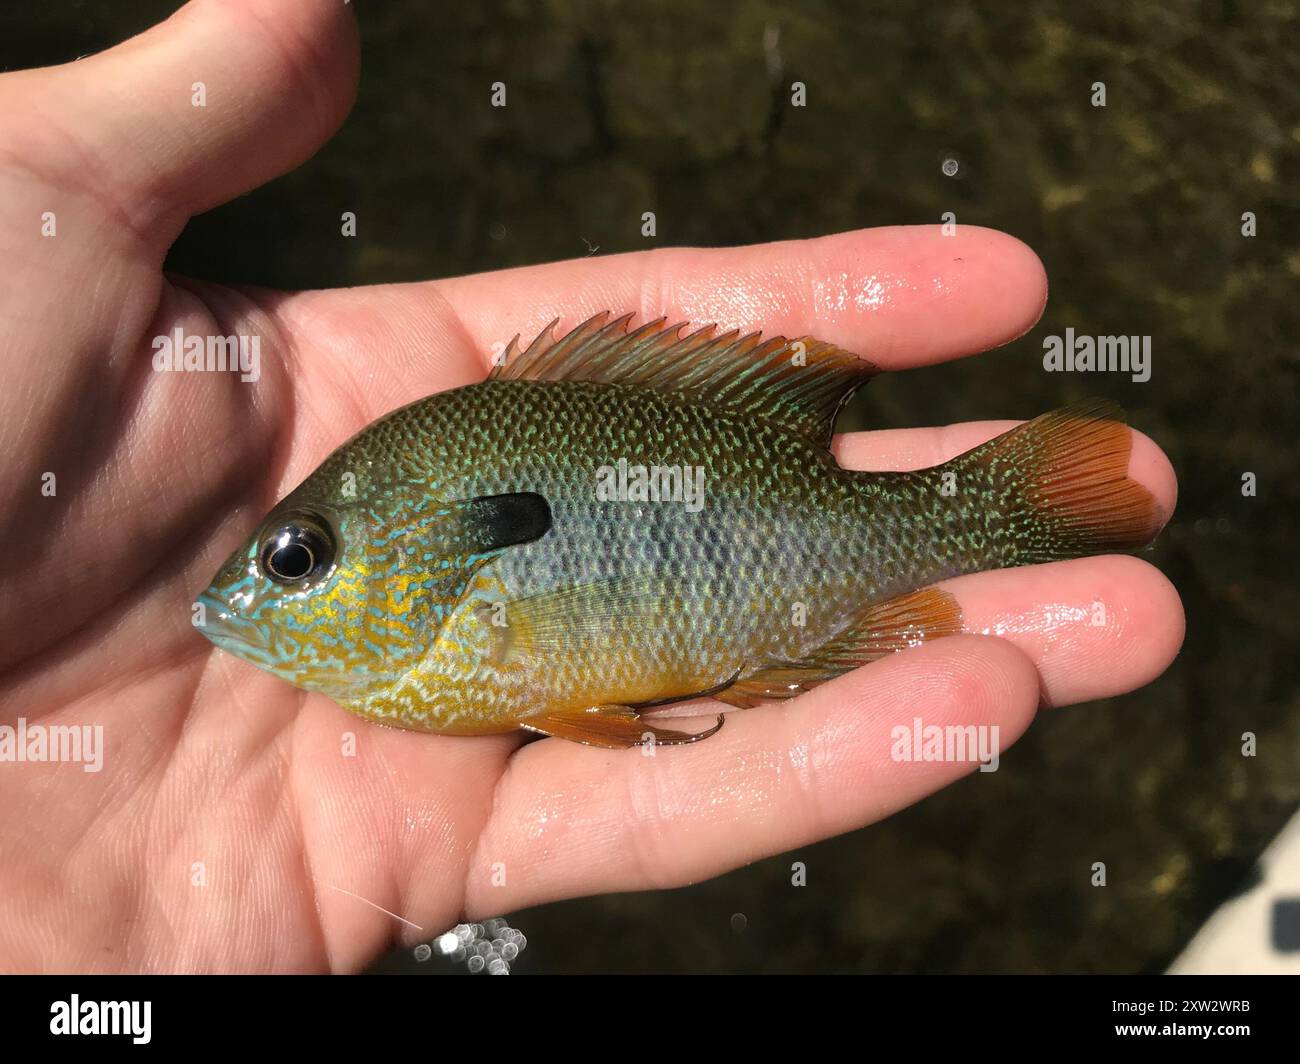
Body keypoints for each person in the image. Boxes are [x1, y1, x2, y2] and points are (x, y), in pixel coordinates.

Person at [0, 0, 1180, 972]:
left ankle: (995, 509)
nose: (252, 592)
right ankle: (994, 517)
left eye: (298, 555)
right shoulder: (421, 583)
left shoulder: (434, 568)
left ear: (425, 543)